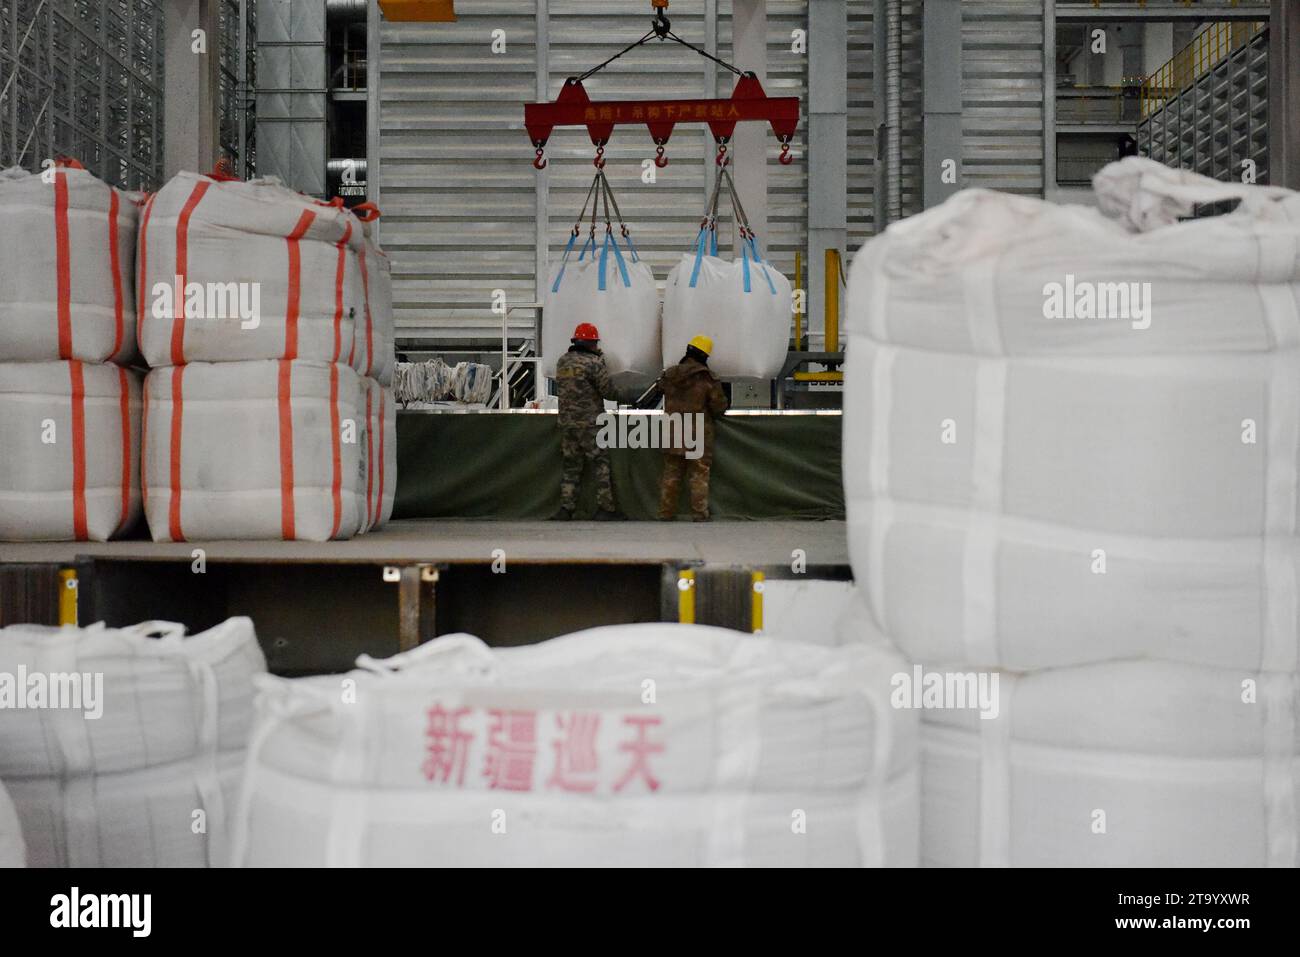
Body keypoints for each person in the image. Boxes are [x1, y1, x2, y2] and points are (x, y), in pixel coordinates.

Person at [643, 335, 729, 522]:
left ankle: (665, 513)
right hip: (697, 431)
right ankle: (699, 514)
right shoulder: (707, 378)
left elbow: (656, 392)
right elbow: (718, 407)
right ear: (704, 356)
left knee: (671, 473)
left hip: (672, 430)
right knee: (699, 474)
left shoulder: (670, 374)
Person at [553, 322, 624, 520]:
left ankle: (566, 509)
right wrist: (628, 396)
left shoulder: (562, 362)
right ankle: (605, 508)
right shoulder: (593, 363)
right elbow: (608, 391)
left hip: (567, 423)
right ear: (592, 343)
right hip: (590, 424)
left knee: (571, 467)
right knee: (600, 463)